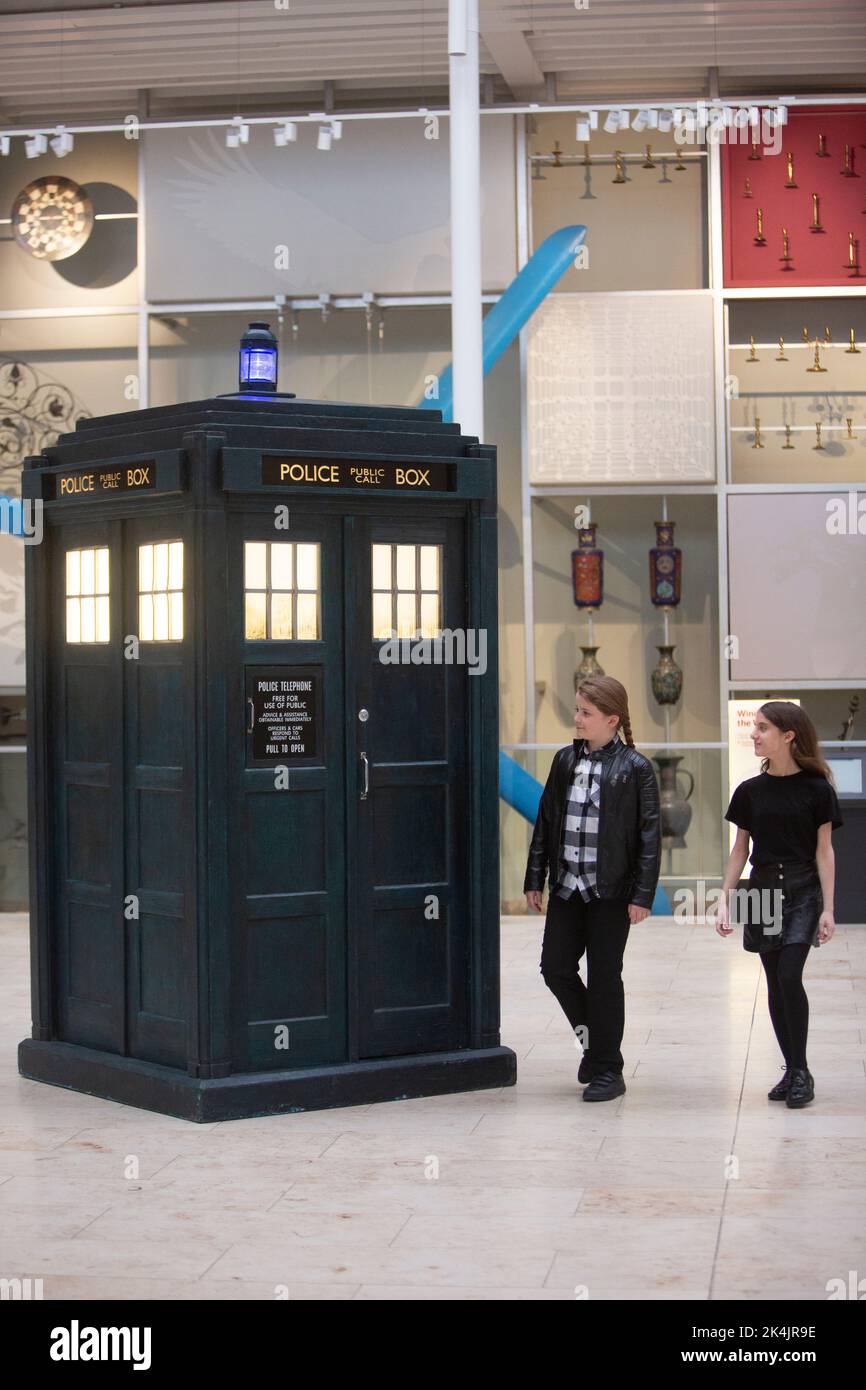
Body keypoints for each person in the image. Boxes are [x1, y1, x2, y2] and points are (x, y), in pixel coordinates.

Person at [524, 675, 661, 1101]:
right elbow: (546, 821)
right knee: (555, 968)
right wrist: (534, 878)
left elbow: (649, 837)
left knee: (604, 977)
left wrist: (642, 895)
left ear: (612, 720)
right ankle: (596, 1048)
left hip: (610, 894)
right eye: (577, 710)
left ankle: (608, 1070)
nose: (578, 719)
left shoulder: (637, 769)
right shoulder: (564, 760)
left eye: (586, 713)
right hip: (567, 887)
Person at [716, 701, 843, 1109]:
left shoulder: (818, 789)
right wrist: (725, 897)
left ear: (788, 735)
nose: (754, 734)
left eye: (763, 727)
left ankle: (801, 1070)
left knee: (789, 974)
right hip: (762, 891)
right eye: (755, 726)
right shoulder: (749, 791)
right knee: (774, 981)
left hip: (804, 890)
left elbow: (825, 851)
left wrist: (828, 908)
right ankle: (792, 1069)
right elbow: (740, 849)